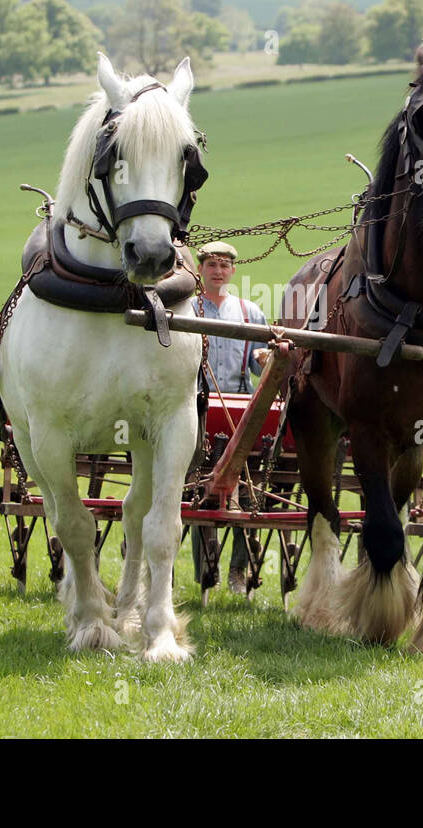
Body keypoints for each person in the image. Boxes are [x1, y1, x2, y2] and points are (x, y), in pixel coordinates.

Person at [191, 241, 271, 594]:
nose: (218, 270)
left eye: (224, 265)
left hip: (241, 409)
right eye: (212, 264)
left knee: (248, 489)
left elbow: (260, 357)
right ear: (201, 269)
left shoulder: (249, 311)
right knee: (197, 487)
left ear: (233, 271)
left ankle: (239, 569)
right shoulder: (189, 309)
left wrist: (267, 360)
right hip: (197, 407)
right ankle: (207, 570)